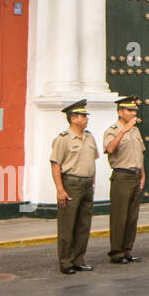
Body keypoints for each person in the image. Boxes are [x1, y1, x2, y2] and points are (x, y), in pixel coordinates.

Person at [51, 100, 98, 274]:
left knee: (83, 224)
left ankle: (79, 259)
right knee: (67, 225)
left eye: (86, 115)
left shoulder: (89, 137)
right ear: (73, 118)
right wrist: (60, 189)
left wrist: (93, 182)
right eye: (83, 116)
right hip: (71, 183)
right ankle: (66, 261)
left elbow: (92, 161)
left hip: (86, 184)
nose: (86, 118)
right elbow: (55, 165)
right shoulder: (63, 139)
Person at [103, 95, 144, 264]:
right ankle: (117, 251)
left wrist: (142, 175)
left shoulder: (136, 130)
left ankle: (127, 249)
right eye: (129, 110)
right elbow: (110, 148)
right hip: (121, 175)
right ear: (120, 112)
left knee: (132, 216)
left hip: (134, 175)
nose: (133, 113)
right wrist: (123, 130)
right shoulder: (113, 130)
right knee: (120, 216)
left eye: (134, 110)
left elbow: (139, 153)